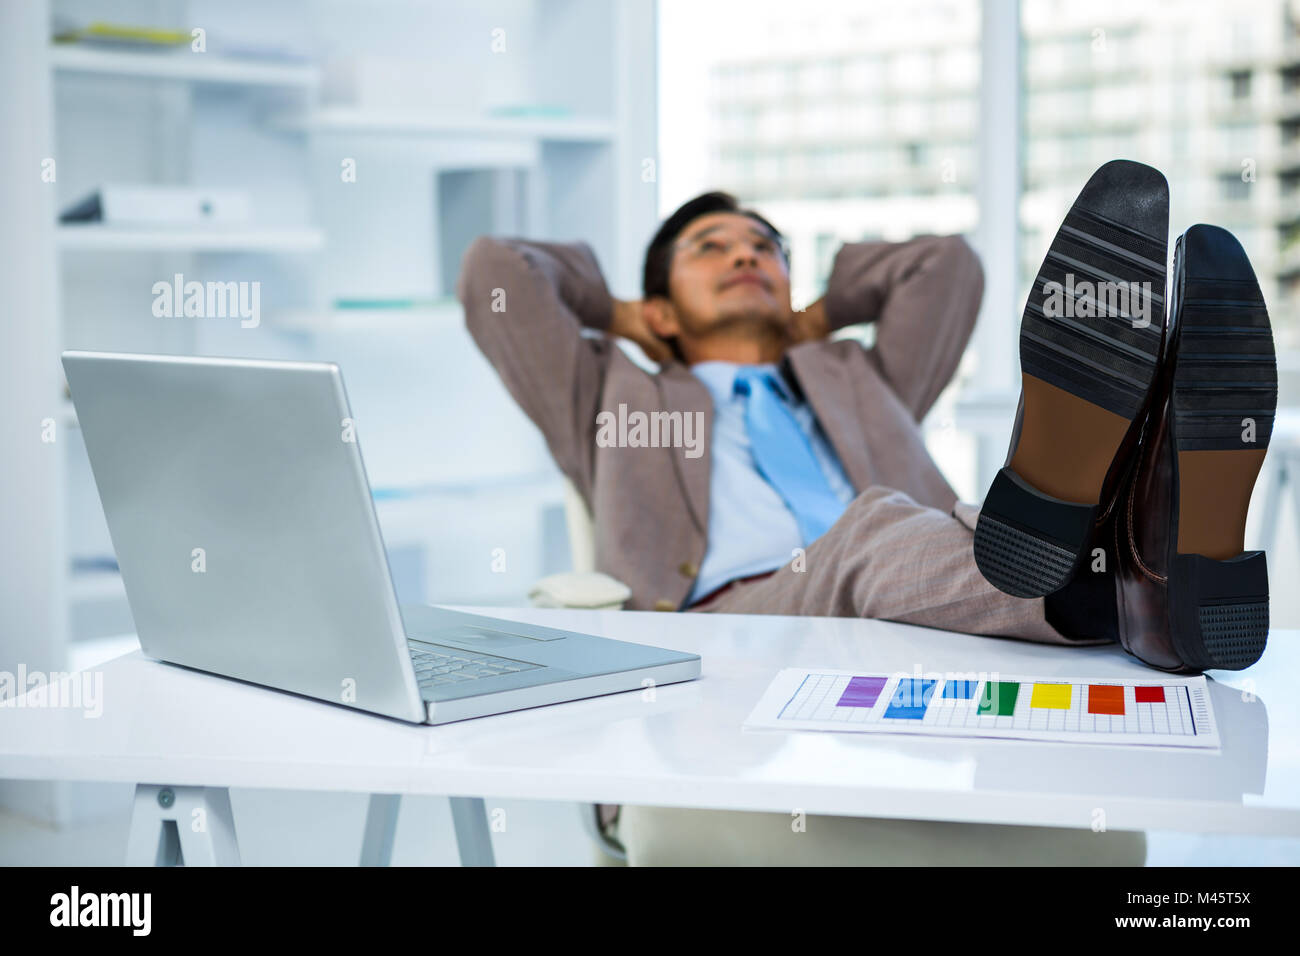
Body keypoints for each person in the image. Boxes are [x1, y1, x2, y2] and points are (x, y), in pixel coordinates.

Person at [454, 181, 1173, 866]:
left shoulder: (862, 376)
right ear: (661, 311)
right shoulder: (614, 394)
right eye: (711, 247)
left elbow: (946, 265)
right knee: (864, 532)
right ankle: (1122, 565)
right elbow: (497, 270)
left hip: (913, 622)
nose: (745, 255)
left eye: (765, 247)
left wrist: (820, 316)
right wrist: (622, 316)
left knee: (888, 537)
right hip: (731, 640)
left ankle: (1109, 560)